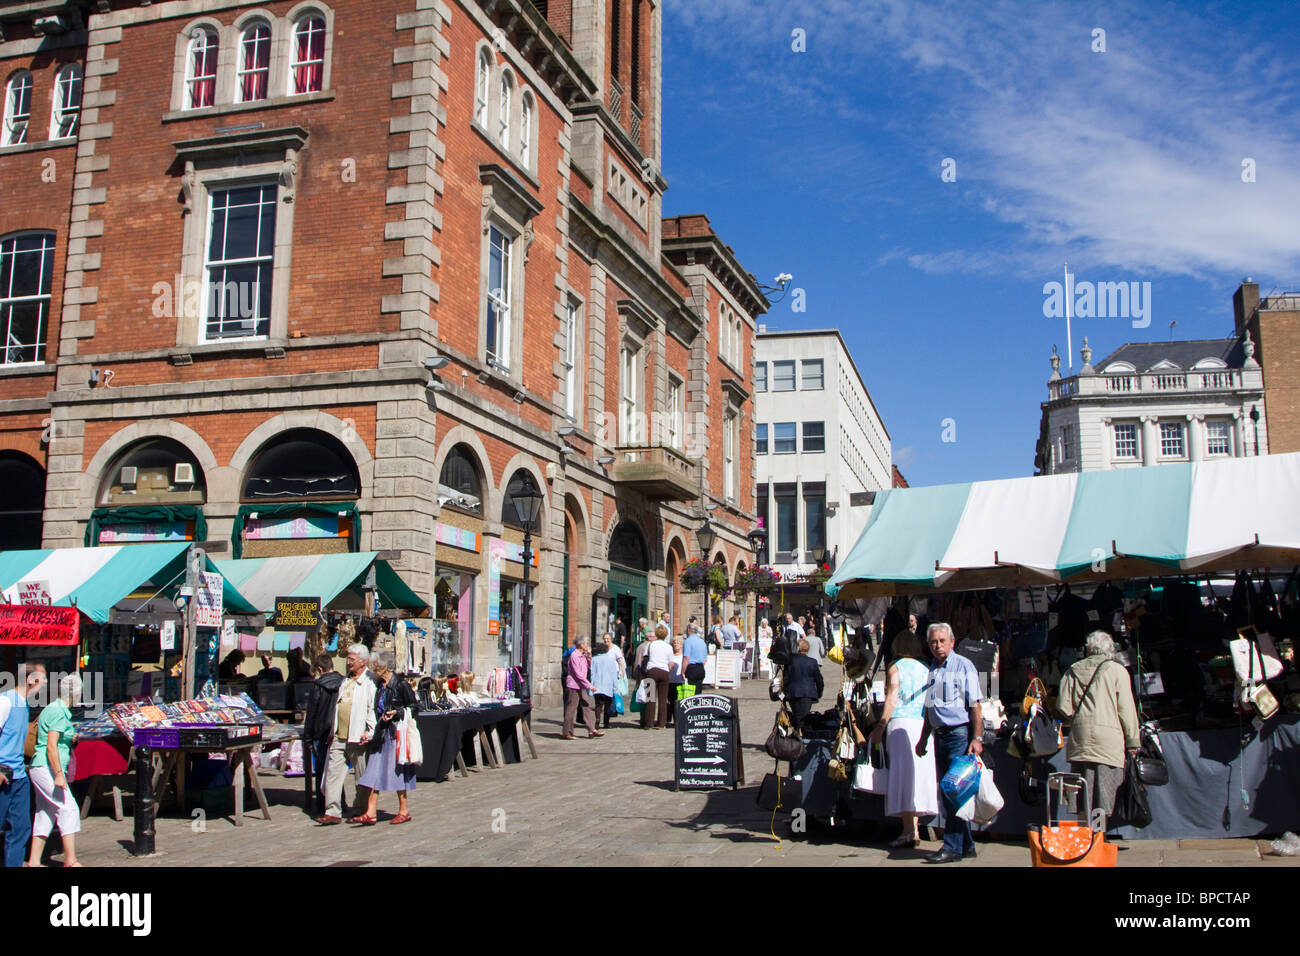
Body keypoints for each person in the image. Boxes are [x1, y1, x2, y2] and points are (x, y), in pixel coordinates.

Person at [1055, 630, 1140, 825]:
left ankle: (1085, 833)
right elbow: (1126, 709)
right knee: (1103, 791)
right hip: (1108, 739)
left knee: (1083, 790)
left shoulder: (1073, 670)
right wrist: (1133, 741)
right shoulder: (1117, 671)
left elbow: (1063, 706)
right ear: (1109, 648)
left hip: (1081, 738)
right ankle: (1098, 834)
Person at [916, 622, 983, 864]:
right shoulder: (933, 667)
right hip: (940, 736)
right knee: (950, 793)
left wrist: (977, 738)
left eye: (942, 641)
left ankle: (952, 847)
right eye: (933, 642)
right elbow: (929, 707)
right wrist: (923, 738)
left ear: (952, 642)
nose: (938, 646)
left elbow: (975, 705)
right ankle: (966, 844)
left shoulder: (963, 665)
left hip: (958, 736)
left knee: (954, 791)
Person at [869, 631, 938, 847]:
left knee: (902, 777)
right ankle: (913, 828)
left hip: (900, 724)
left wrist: (881, 724)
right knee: (917, 777)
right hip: (922, 725)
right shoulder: (927, 668)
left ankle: (909, 830)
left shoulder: (895, 666)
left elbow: (892, 697)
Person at [356, 649, 420, 824]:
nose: (374, 669)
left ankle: (404, 810)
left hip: (395, 734)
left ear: (385, 667)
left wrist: (397, 712)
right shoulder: (378, 685)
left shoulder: (400, 684)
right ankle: (371, 812)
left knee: (397, 773)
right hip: (381, 733)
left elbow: (415, 707)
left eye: (376, 666)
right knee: (373, 771)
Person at [317, 644, 376, 825]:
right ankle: (332, 811)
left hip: (358, 736)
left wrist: (370, 731)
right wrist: (332, 730)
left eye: (352, 659)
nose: (348, 662)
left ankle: (360, 809)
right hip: (338, 736)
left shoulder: (370, 681)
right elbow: (338, 707)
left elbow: (372, 708)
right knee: (332, 774)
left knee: (361, 775)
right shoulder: (345, 680)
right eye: (348, 658)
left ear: (362, 661)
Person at [28, 673, 82, 867]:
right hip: (47, 767)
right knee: (69, 809)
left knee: (46, 813)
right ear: (76, 694)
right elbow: (51, 745)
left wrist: (69, 736)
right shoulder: (59, 712)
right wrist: (59, 775)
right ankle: (70, 859)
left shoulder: (52, 708)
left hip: (40, 765)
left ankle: (34, 861)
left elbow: (53, 738)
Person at [0, 663, 45, 868]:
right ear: (30, 680)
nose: (44, 684)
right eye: (42, 679)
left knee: (21, 828)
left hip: (18, 776)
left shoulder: (24, 704)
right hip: (3, 774)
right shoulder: (5, 702)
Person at [303, 652, 343, 817]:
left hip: (320, 732)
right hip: (339, 731)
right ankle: (340, 802)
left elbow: (311, 713)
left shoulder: (318, 686)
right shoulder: (344, 682)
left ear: (319, 668)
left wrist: (308, 736)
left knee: (321, 771)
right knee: (336, 772)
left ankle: (322, 804)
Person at [563, 636, 602, 739]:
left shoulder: (583, 655)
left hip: (581, 685)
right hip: (574, 685)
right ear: (581, 645)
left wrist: (589, 656)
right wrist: (589, 685)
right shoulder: (574, 656)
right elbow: (577, 674)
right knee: (572, 708)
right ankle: (567, 732)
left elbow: (589, 666)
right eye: (586, 643)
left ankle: (591, 729)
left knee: (586, 705)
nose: (587, 645)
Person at [784, 639, 824, 734]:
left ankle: (798, 736)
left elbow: (787, 678)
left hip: (794, 693)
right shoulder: (812, 662)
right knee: (803, 717)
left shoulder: (790, 661)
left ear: (798, 648)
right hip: (807, 693)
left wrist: (785, 691)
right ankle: (800, 738)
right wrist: (819, 692)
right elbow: (819, 680)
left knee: (797, 716)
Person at [642, 624, 674, 729]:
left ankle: (649, 723)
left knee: (650, 698)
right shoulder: (669, 647)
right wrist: (668, 670)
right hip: (664, 672)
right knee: (663, 699)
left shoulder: (650, 645)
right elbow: (671, 663)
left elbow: (645, 657)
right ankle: (661, 723)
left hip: (652, 671)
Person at [590, 641, 619, 731]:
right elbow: (614, 675)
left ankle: (597, 719)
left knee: (598, 705)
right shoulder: (611, 660)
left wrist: (591, 686)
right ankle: (606, 722)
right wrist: (615, 688)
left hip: (597, 685)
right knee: (607, 705)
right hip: (608, 686)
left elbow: (592, 673)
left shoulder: (594, 659)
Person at [667, 636, 686, 725]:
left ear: (682, 645)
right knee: (670, 701)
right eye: (674, 643)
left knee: (679, 701)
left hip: (680, 681)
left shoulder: (683, 656)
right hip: (670, 681)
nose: (675, 645)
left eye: (678, 643)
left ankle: (678, 720)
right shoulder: (670, 655)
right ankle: (671, 719)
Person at [682, 624, 708, 689]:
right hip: (701, 668)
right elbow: (705, 659)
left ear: (688, 630)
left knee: (690, 693)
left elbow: (686, 658)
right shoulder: (702, 642)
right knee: (698, 692)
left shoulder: (687, 641)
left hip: (691, 668)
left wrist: (683, 671)